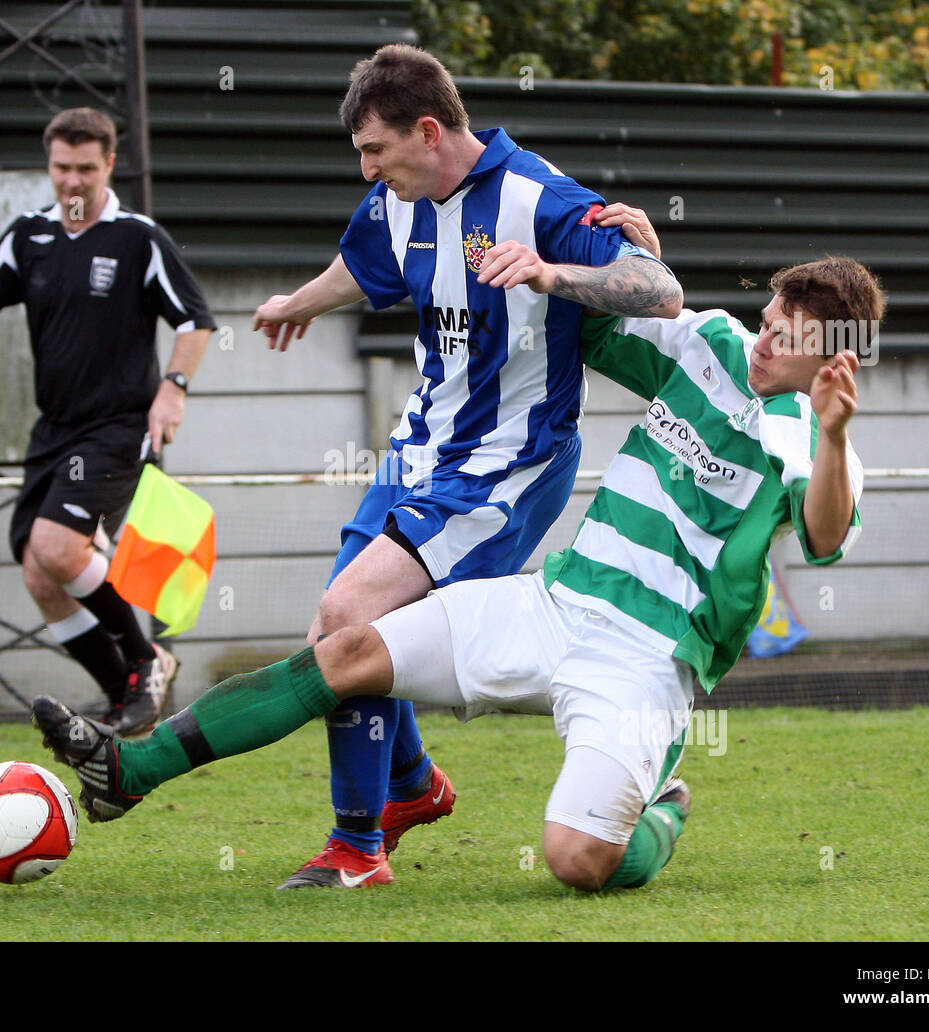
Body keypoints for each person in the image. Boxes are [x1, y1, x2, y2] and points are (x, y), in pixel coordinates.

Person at [34, 254, 886, 892]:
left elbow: (824, 536)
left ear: (836, 361)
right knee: (349, 648)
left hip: (647, 661)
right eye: (772, 311)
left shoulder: (808, 435)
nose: (767, 333)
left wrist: (839, 435)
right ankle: (130, 771)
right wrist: (611, 268)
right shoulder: (713, 342)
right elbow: (603, 324)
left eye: (791, 334)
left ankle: (660, 810)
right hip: (558, 600)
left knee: (577, 862)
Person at [250, 43, 683, 887]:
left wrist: (553, 272)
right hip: (420, 446)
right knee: (337, 633)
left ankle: (357, 846)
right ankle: (409, 787)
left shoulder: (538, 198)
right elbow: (365, 261)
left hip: (508, 461)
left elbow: (657, 286)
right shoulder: (396, 200)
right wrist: (295, 303)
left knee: (349, 617)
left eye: (376, 151)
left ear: (428, 129)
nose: (369, 170)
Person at [0, 107, 216, 736]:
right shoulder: (29, 237)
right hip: (54, 430)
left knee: (58, 547)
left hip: (118, 424)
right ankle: (124, 697)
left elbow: (195, 321)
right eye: (61, 168)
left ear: (108, 165)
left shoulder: (137, 239)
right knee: (40, 575)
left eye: (85, 169)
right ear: (50, 165)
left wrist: (172, 390)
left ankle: (148, 660)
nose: (72, 182)